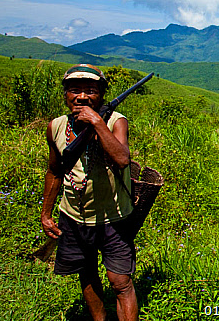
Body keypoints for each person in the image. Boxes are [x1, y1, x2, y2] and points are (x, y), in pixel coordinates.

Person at [41, 64, 138, 321]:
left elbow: (122, 158)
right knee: (86, 272)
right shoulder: (57, 127)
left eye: (90, 91)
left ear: (101, 95)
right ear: (65, 95)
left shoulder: (116, 122)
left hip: (113, 218)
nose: (82, 97)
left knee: (120, 282)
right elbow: (54, 171)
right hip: (73, 217)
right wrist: (46, 213)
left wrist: (96, 122)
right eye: (75, 90)